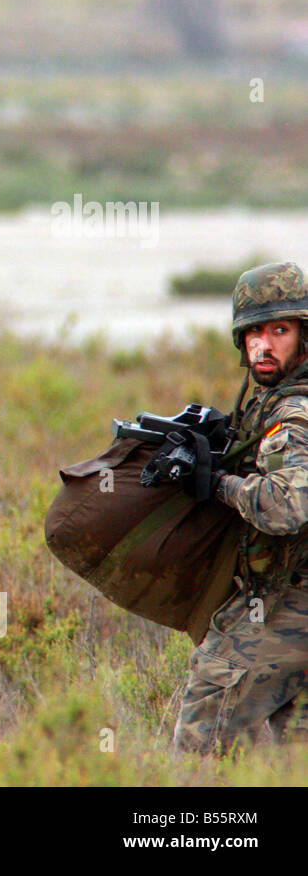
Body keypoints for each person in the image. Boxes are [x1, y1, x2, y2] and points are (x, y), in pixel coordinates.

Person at [173, 260, 308, 753]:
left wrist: (219, 484)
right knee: (296, 743)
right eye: (253, 332)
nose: (264, 345)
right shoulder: (270, 400)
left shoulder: (296, 413)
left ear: (304, 335)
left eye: (280, 330)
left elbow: (283, 508)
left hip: (292, 600)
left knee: (211, 702)